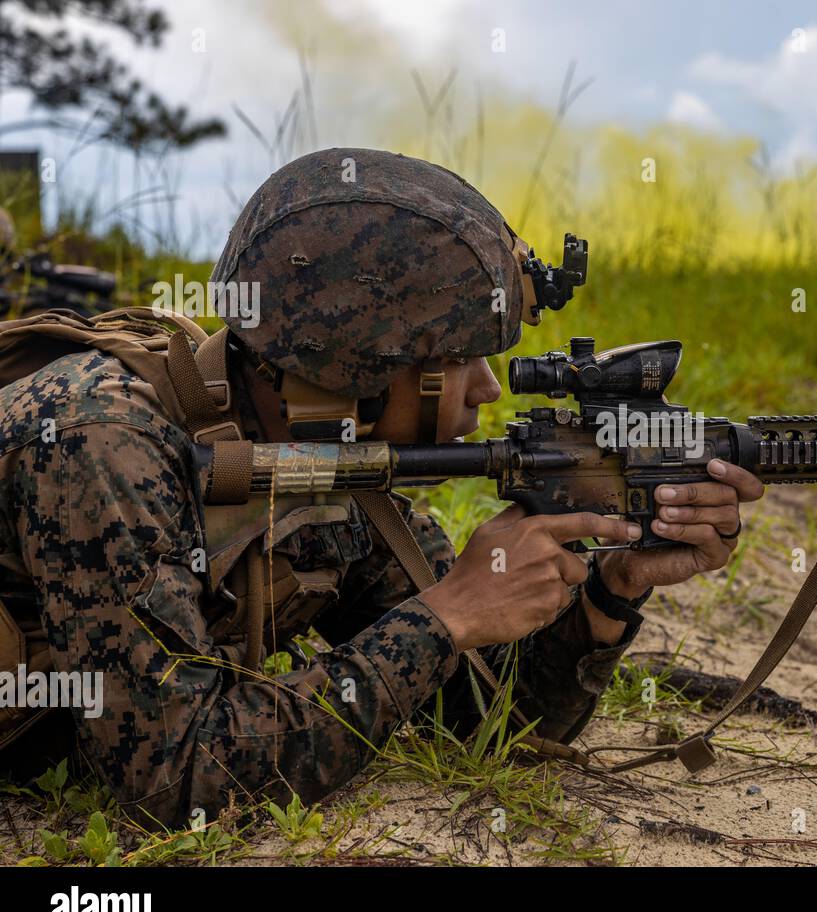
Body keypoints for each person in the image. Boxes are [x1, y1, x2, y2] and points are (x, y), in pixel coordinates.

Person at [0, 148, 762, 829]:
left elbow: (481, 717)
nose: (489, 390)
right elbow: (174, 780)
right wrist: (444, 615)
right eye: (464, 359)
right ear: (361, 362)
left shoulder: (326, 456)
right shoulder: (98, 439)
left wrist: (611, 593)